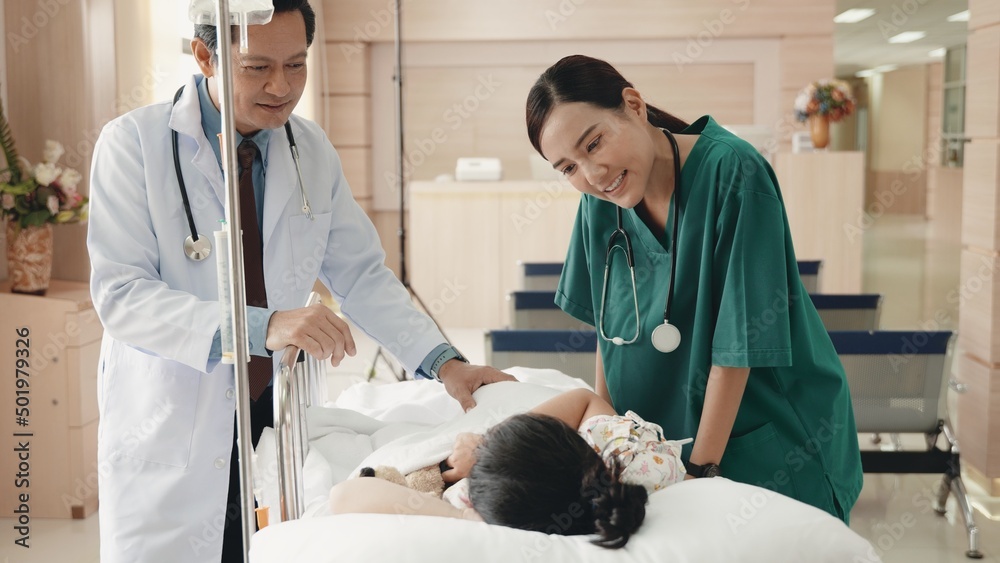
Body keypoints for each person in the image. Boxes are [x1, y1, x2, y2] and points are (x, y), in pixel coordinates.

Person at [86, 2, 512, 561]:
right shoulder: (133, 145)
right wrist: (264, 326)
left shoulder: (308, 149)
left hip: (271, 411)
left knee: (268, 546)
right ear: (204, 56)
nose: (281, 86)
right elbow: (122, 298)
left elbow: (361, 275)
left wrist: (445, 363)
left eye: (296, 65)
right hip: (176, 414)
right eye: (256, 67)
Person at [523, 55, 863, 522]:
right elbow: (609, 330)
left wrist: (697, 474)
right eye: (568, 168)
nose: (593, 174)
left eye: (595, 143)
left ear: (633, 105)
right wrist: (611, 433)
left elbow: (737, 349)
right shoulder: (601, 199)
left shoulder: (734, 172)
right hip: (661, 446)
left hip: (766, 436)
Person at [329, 388, 687, 548]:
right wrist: (494, 440)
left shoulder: (491, 510)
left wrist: (461, 517)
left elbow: (344, 496)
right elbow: (582, 398)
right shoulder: (629, 456)